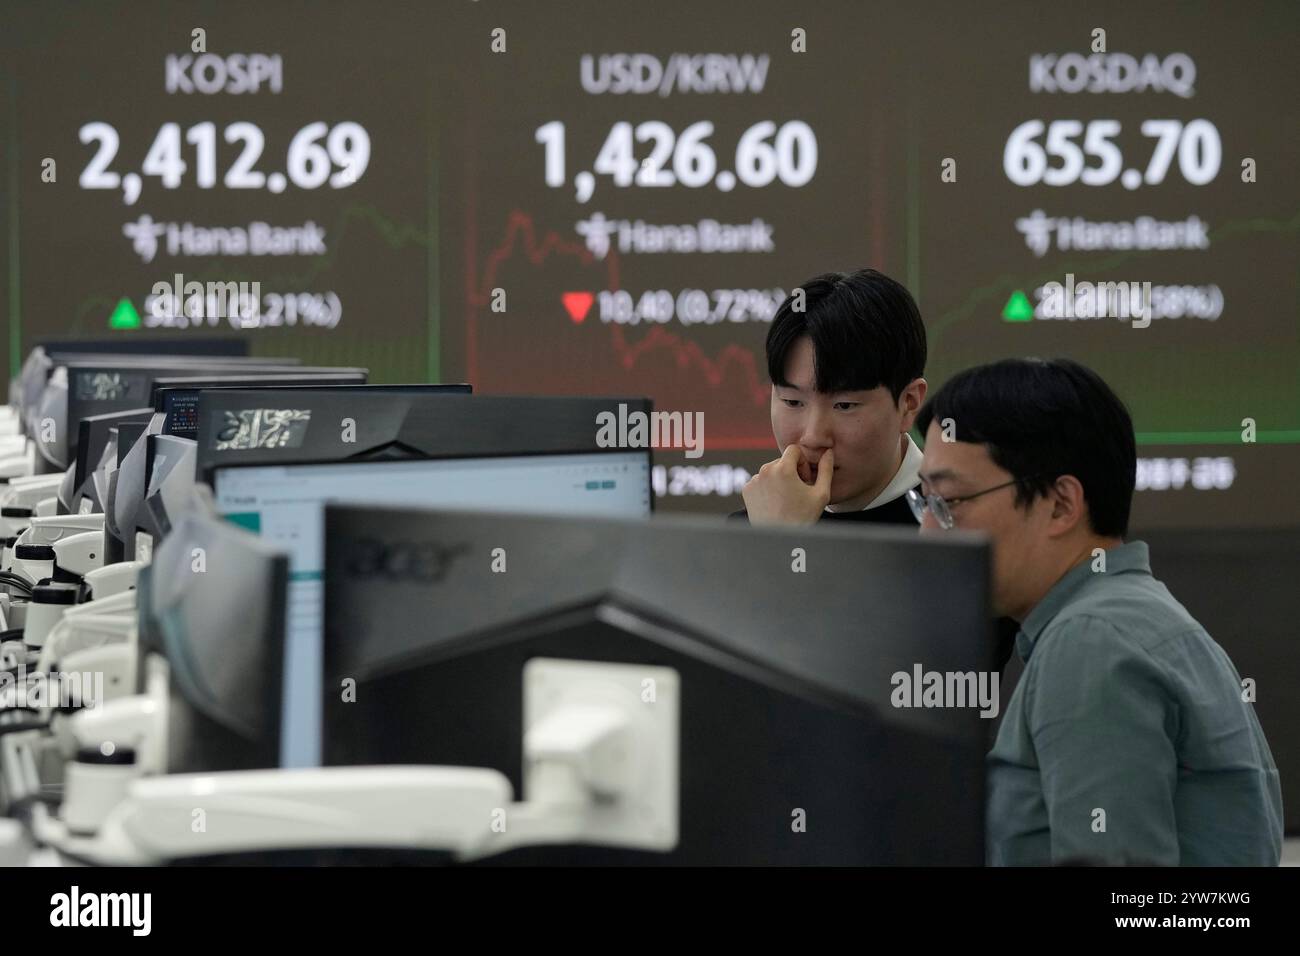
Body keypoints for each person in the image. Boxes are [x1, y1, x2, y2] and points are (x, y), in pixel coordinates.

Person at [911, 357, 1283, 866]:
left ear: (1061, 504)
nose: (929, 532)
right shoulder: (1129, 620)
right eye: (924, 501)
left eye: (950, 502)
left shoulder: (1091, 641)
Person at [734, 268, 927, 526]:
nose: (813, 437)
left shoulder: (952, 526)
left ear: (908, 404)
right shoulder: (749, 531)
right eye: (792, 402)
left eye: (844, 405)